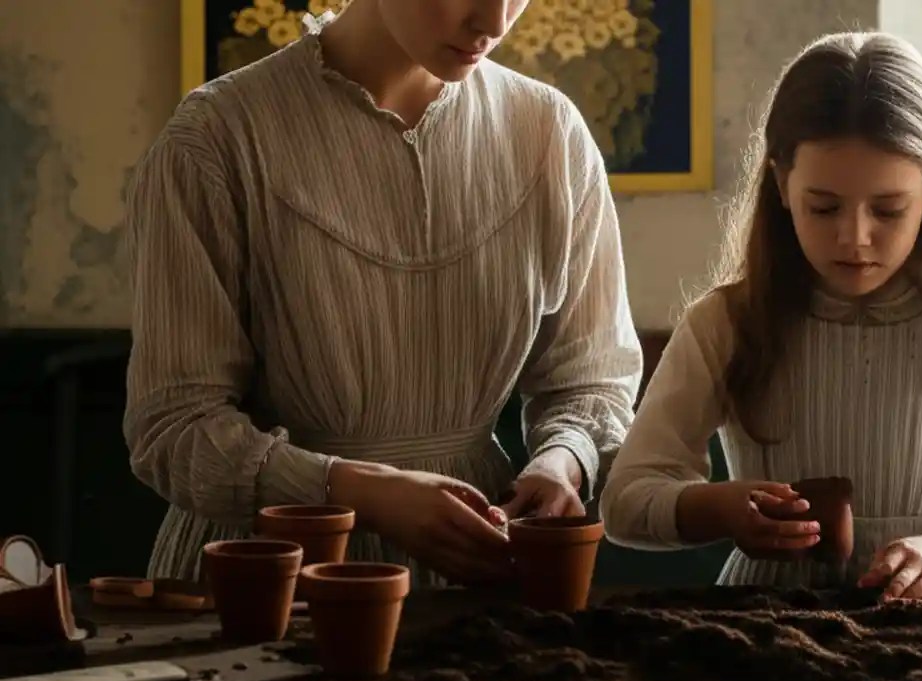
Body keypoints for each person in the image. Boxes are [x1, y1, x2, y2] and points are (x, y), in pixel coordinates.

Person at [123, 0, 642, 587]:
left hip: (475, 568)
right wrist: (363, 493)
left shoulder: (549, 131)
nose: (494, 22)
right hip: (272, 577)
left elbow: (590, 378)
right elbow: (174, 428)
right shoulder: (217, 138)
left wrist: (563, 460)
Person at [599, 31, 922, 601]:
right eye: (823, 207)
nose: (855, 238)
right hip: (763, 624)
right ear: (781, 183)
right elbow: (626, 500)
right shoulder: (727, 323)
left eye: (888, 209)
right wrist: (725, 507)